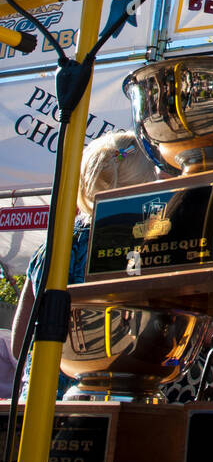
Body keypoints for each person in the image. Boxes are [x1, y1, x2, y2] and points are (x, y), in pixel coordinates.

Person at [11, 130, 159, 398]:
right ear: (144, 185)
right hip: (112, 399)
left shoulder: (51, 248)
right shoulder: (145, 250)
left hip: (38, 402)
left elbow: (18, 344)